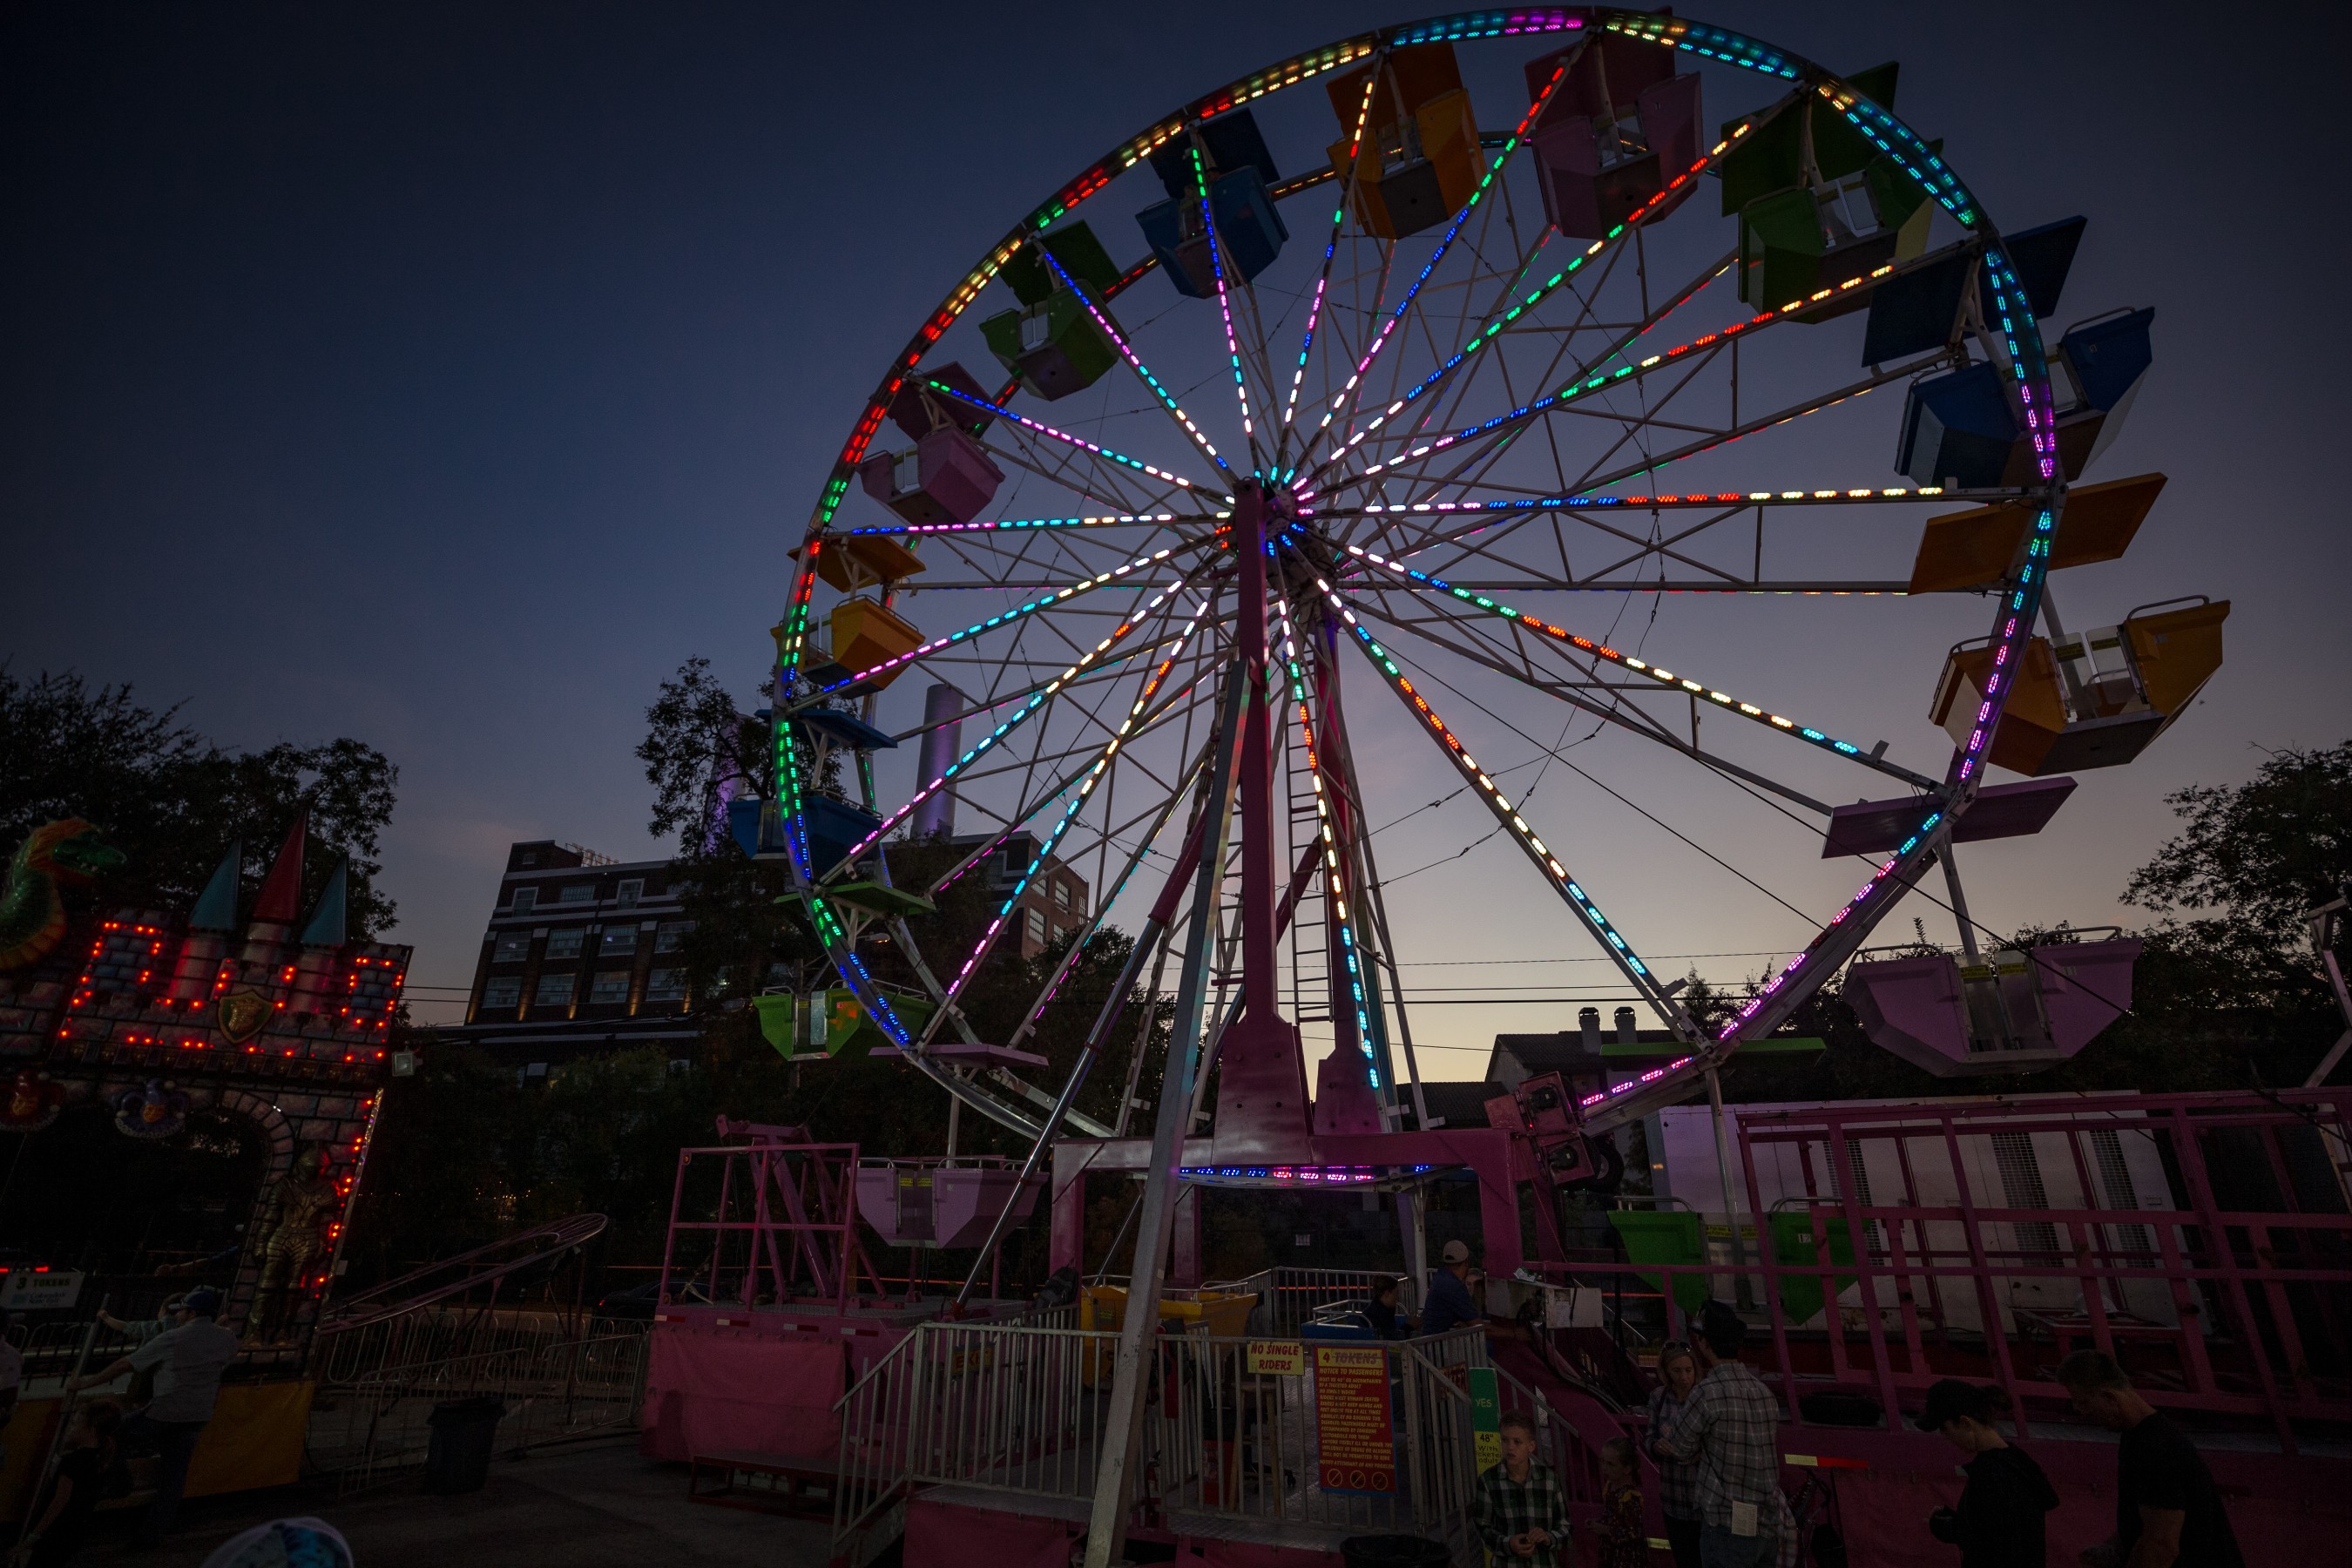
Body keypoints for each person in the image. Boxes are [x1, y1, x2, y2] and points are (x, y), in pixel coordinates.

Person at [64, 1287, 239, 1548]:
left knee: (113, 1433)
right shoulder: (226, 1338)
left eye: (181, 1312)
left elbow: (127, 1363)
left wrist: (87, 1382)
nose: (177, 1316)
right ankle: (151, 1535)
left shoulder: (174, 1338)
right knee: (174, 1477)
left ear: (191, 1313)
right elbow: (229, 1356)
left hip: (165, 1410)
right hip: (198, 1414)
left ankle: (119, 1481)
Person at [2056, 1350, 2243, 1568]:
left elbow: (2161, 1545)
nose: (2081, 1412)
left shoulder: (2154, 1449)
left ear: (2110, 1397)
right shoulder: (2144, 1438)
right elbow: (2149, 1523)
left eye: (2085, 1403)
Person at [1658, 1301, 1783, 1568]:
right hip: (1767, 1523)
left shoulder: (1705, 1393)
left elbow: (1679, 1447)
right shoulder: (1763, 1392)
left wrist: (1700, 1449)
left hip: (1726, 1524)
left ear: (1703, 1343)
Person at [1916, 1378, 2058, 1566]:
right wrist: (1962, 1522)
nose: (1944, 1436)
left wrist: (1948, 1528)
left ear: (1965, 1423)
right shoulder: (2018, 1461)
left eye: (1945, 1428)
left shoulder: (1989, 1472)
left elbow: (1996, 1542)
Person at [11, 1398, 121, 1566]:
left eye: (75, 1424)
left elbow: (59, 1501)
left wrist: (34, 1534)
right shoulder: (102, 1460)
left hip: (55, 1531)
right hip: (76, 1530)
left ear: (90, 1430)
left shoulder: (72, 1462)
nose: (70, 1428)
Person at [1474, 1410, 1571, 1565]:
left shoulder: (1549, 1479)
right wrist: (1509, 1543)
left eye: (1517, 1442)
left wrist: (1548, 1537)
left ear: (1530, 1446)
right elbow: (1482, 1527)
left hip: (1542, 1562)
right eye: (1505, 1440)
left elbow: (1565, 1524)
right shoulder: (1489, 1481)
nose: (1510, 1447)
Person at [1646, 1339, 1705, 1568]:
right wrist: (1655, 1446)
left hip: (1701, 1499)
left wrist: (1700, 1454)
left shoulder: (1703, 1397)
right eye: (1677, 1371)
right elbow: (1649, 1437)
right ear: (1667, 1372)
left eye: (1688, 1370)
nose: (1684, 1377)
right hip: (1672, 1497)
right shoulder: (1659, 1398)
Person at [1592, 1435, 1648, 1568]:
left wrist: (1606, 1530)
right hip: (1611, 1554)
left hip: (1627, 1559)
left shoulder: (1629, 1497)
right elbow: (1613, 1517)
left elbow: (1634, 1532)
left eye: (1611, 1464)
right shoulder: (1610, 1487)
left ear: (1627, 1468)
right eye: (1602, 1462)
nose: (1604, 1468)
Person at [1420, 1240, 1484, 1338]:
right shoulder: (1454, 1287)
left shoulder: (1440, 1277)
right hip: (1438, 1347)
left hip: (1429, 1342)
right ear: (1466, 1262)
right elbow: (1478, 1326)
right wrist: (1511, 1333)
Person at [1364, 1277, 1416, 1341]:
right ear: (1387, 1294)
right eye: (1396, 1293)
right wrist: (1410, 1326)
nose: (1398, 1297)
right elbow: (1391, 1339)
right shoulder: (1378, 1314)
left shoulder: (1381, 1308)